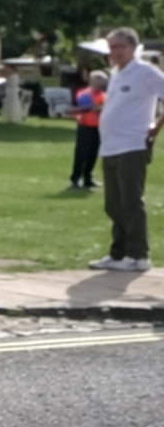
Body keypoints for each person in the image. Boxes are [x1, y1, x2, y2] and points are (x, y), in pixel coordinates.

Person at [90, 27, 164, 271]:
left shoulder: (145, 72)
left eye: (120, 47)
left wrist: (156, 127)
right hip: (111, 145)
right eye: (111, 47)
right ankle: (119, 252)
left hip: (133, 144)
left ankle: (138, 255)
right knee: (113, 203)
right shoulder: (116, 73)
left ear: (133, 47)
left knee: (131, 201)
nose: (115, 52)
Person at [69, 69, 108, 190]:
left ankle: (88, 178)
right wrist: (98, 107)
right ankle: (76, 178)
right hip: (85, 125)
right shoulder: (83, 93)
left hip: (98, 127)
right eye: (97, 80)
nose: (99, 83)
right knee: (81, 153)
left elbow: (105, 108)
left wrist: (100, 107)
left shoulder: (104, 95)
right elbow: (85, 106)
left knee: (93, 153)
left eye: (101, 80)